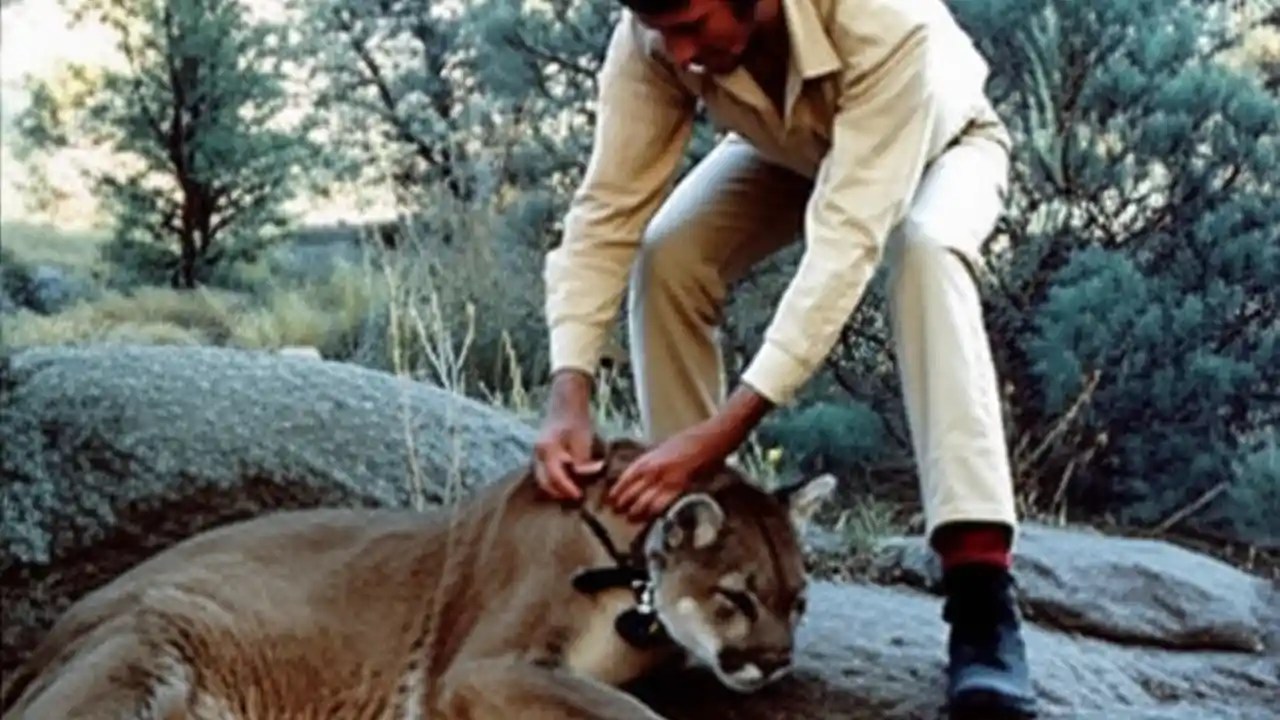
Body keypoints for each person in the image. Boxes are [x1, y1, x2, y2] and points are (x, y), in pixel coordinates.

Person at [531, 0, 1036, 715]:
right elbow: (606, 210)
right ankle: (695, 556)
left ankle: (981, 599)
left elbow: (843, 249)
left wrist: (722, 431)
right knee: (668, 255)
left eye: (693, 27)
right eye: (663, 32)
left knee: (927, 251)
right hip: (797, 154)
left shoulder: (885, 23)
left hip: (941, 144)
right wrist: (569, 392)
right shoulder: (653, 37)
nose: (679, 53)